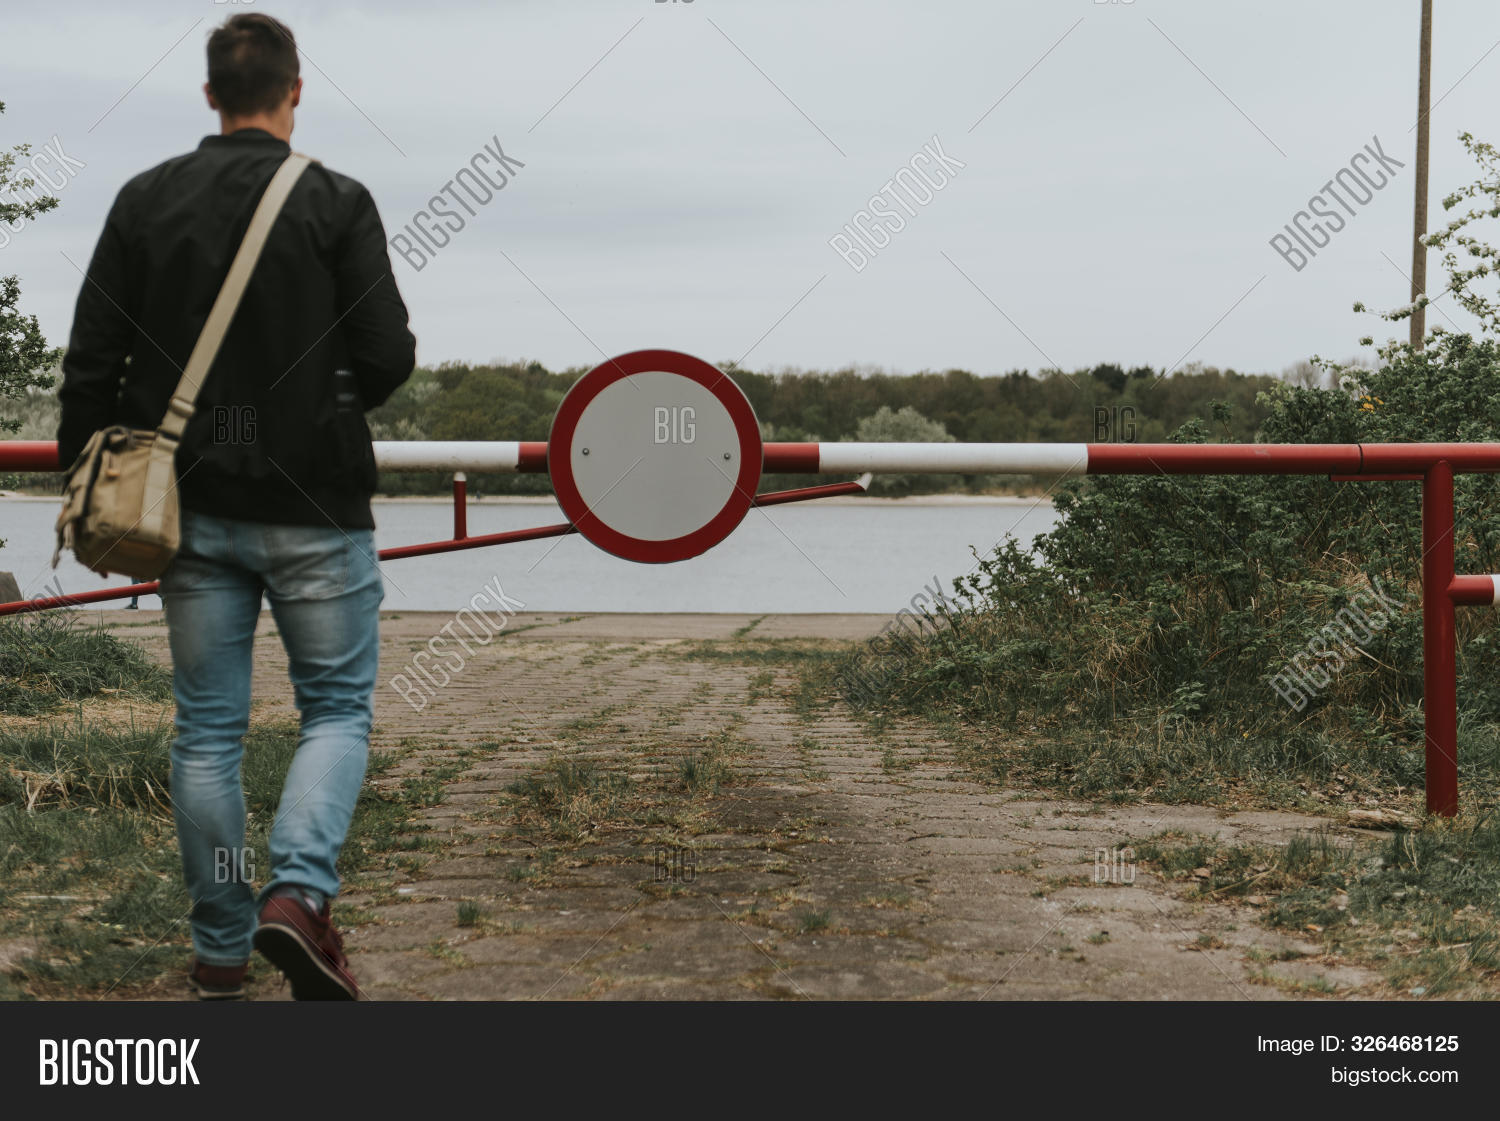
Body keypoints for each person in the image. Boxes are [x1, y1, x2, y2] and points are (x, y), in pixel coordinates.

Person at [57, 12, 415, 1000]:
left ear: (209, 96)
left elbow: (91, 364)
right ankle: (297, 896)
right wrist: (320, 407)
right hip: (318, 501)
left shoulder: (144, 200)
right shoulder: (335, 202)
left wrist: (85, 481)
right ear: (296, 91)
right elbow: (387, 354)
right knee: (335, 707)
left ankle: (221, 942)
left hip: (187, 507)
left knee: (207, 728)